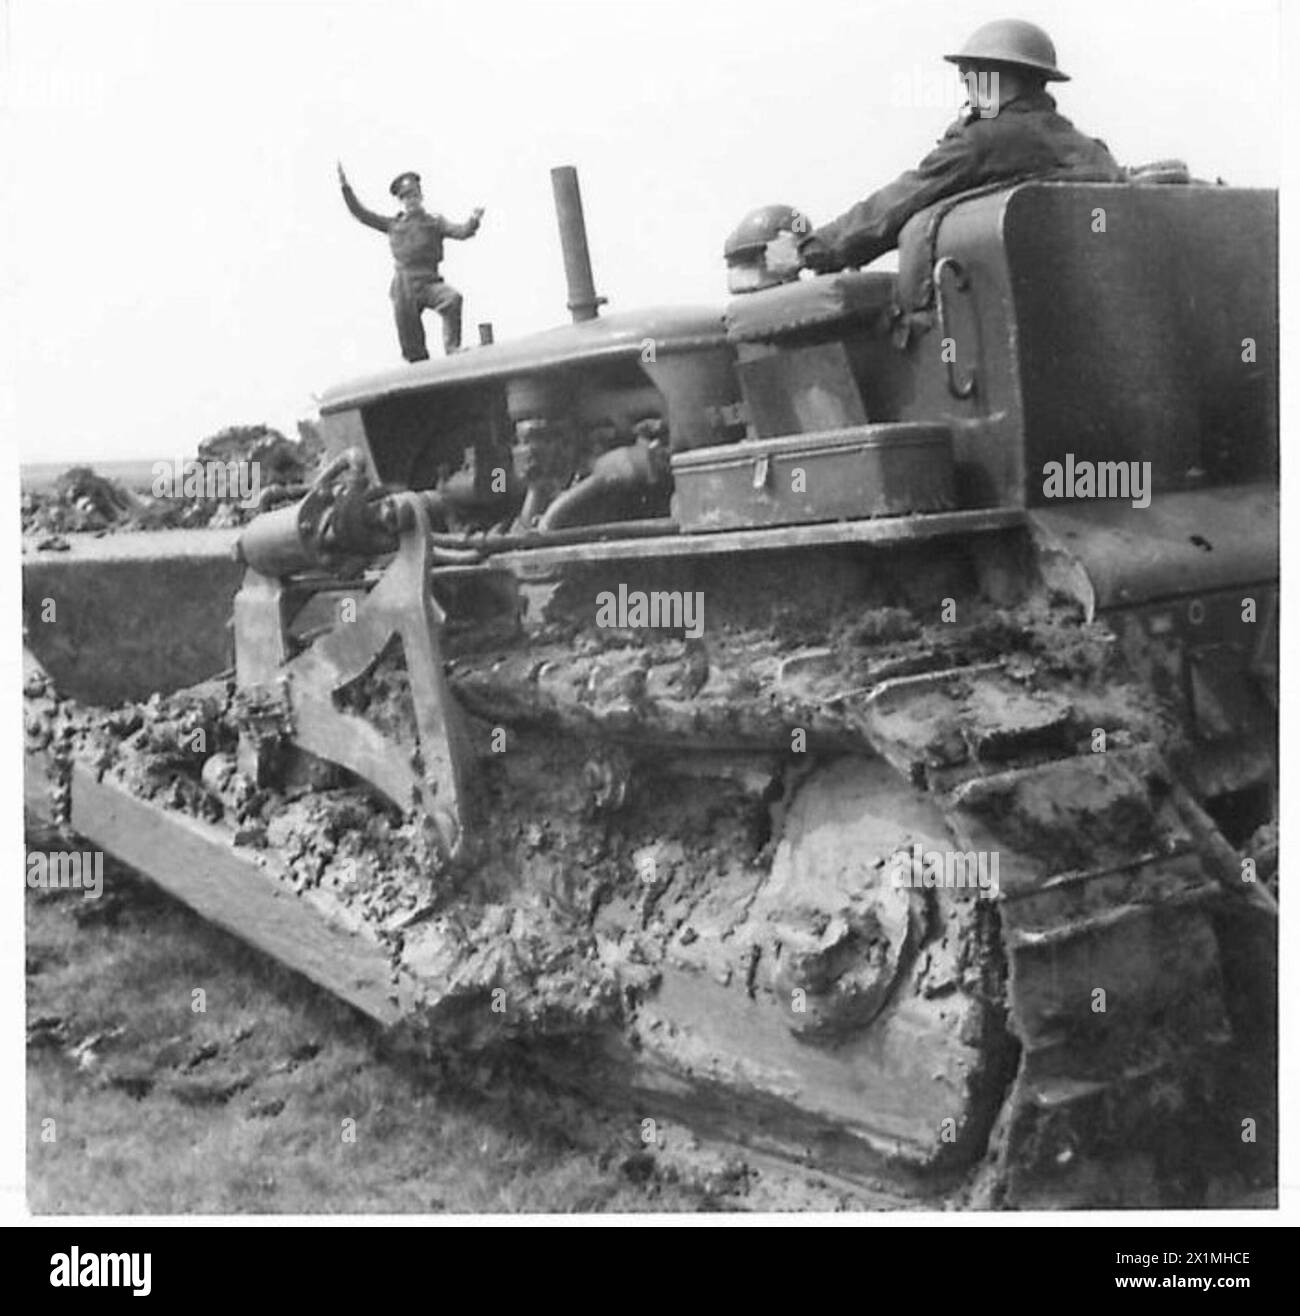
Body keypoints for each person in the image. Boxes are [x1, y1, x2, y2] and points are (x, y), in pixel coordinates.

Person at [768, 19, 1125, 277]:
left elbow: (899, 202)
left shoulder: (984, 141)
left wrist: (809, 250)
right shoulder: (1087, 149)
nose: (968, 87)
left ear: (998, 76)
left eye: (972, 75)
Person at [338, 163, 485, 360]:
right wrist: (345, 188)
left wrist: (473, 220)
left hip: (429, 282)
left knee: (452, 299)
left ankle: (452, 348)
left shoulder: (434, 222)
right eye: (406, 197)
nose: (411, 201)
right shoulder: (393, 225)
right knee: (413, 349)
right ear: (401, 201)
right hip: (404, 287)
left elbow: (461, 232)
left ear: (421, 197)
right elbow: (362, 214)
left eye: (414, 195)